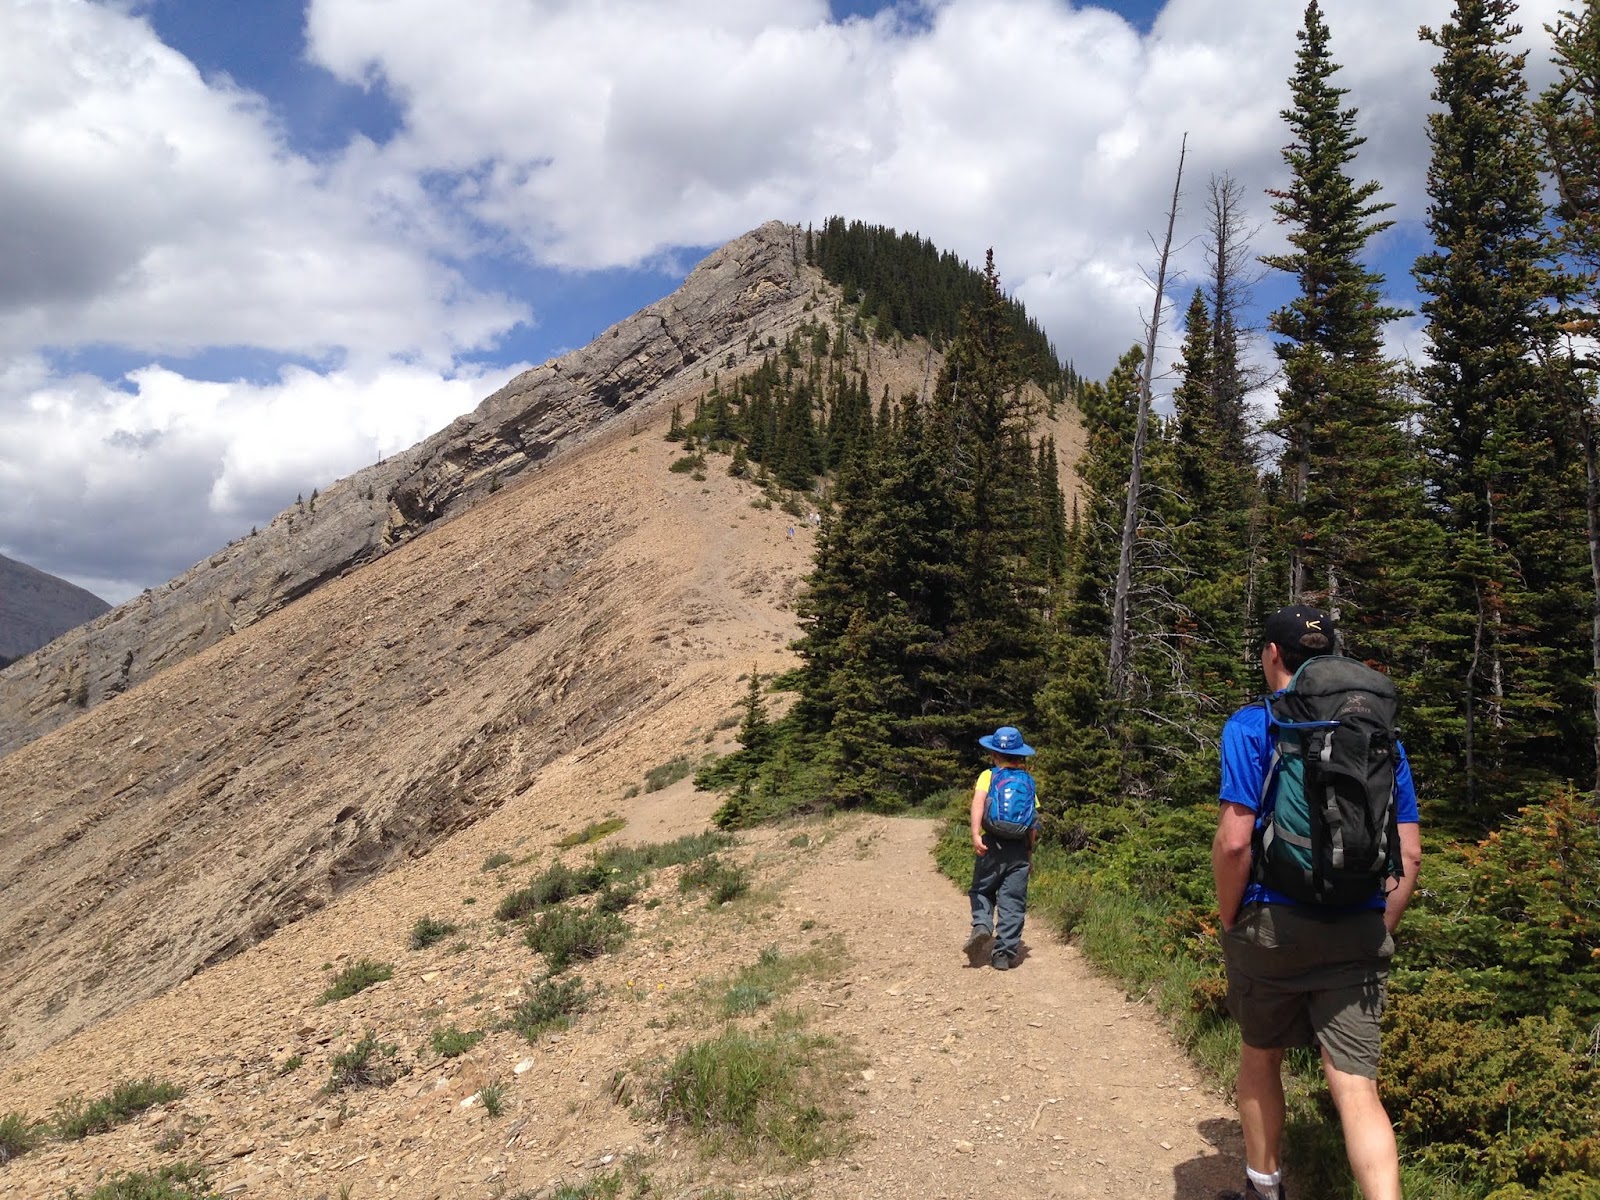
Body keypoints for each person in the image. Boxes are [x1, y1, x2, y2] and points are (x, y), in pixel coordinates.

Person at [1212, 605, 1423, 1200]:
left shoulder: (1254, 726)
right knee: (1357, 1087)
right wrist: (1377, 927)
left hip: (1271, 921)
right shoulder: (1380, 737)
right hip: (1358, 924)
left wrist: (1232, 917)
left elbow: (1234, 843)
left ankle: (1264, 1187)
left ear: (1272, 655)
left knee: (1261, 1057)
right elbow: (1408, 857)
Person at [964, 725, 1040, 971]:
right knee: (1013, 902)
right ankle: (1003, 955)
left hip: (991, 844)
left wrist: (976, 834)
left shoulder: (989, 775)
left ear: (994, 755)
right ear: (1021, 755)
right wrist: (1029, 855)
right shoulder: (1028, 781)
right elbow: (1032, 824)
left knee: (982, 890)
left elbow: (977, 803)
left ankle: (983, 925)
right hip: (1018, 849)